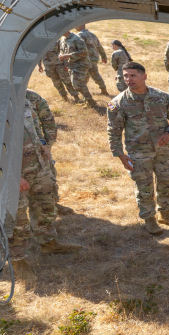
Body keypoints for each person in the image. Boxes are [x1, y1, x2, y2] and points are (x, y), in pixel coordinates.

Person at [107, 61, 169, 235]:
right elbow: (113, 130)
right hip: (138, 154)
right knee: (144, 187)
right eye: (125, 75)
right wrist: (120, 155)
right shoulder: (117, 103)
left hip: (163, 150)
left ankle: (165, 214)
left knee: (166, 182)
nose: (128, 79)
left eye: (133, 75)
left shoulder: (163, 97)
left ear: (144, 76)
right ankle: (149, 219)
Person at [11, 95, 81, 261]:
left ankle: (48, 243)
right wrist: (13, 175)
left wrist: (44, 145)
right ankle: (17, 259)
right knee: (16, 216)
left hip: (38, 166)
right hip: (12, 173)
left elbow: (35, 128)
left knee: (45, 206)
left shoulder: (24, 99)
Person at [58, 31, 96, 108]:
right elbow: (62, 52)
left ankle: (90, 101)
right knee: (80, 84)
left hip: (81, 64)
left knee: (77, 85)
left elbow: (84, 52)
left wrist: (68, 55)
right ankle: (88, 101)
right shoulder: (62, 39)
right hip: (71, 65)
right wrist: (63, 58)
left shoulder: (77, 39)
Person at [75, 25, 109, 96]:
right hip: (94, 59)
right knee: (95, 75)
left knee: (83, 77)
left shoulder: (79, 35)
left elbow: (78, 49)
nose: (75, 27)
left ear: (81, 25)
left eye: (76, 25)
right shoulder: (92, 34)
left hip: (85, 60)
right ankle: (103, 90)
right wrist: (104, 57)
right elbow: (99, 46)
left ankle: (85, 95)